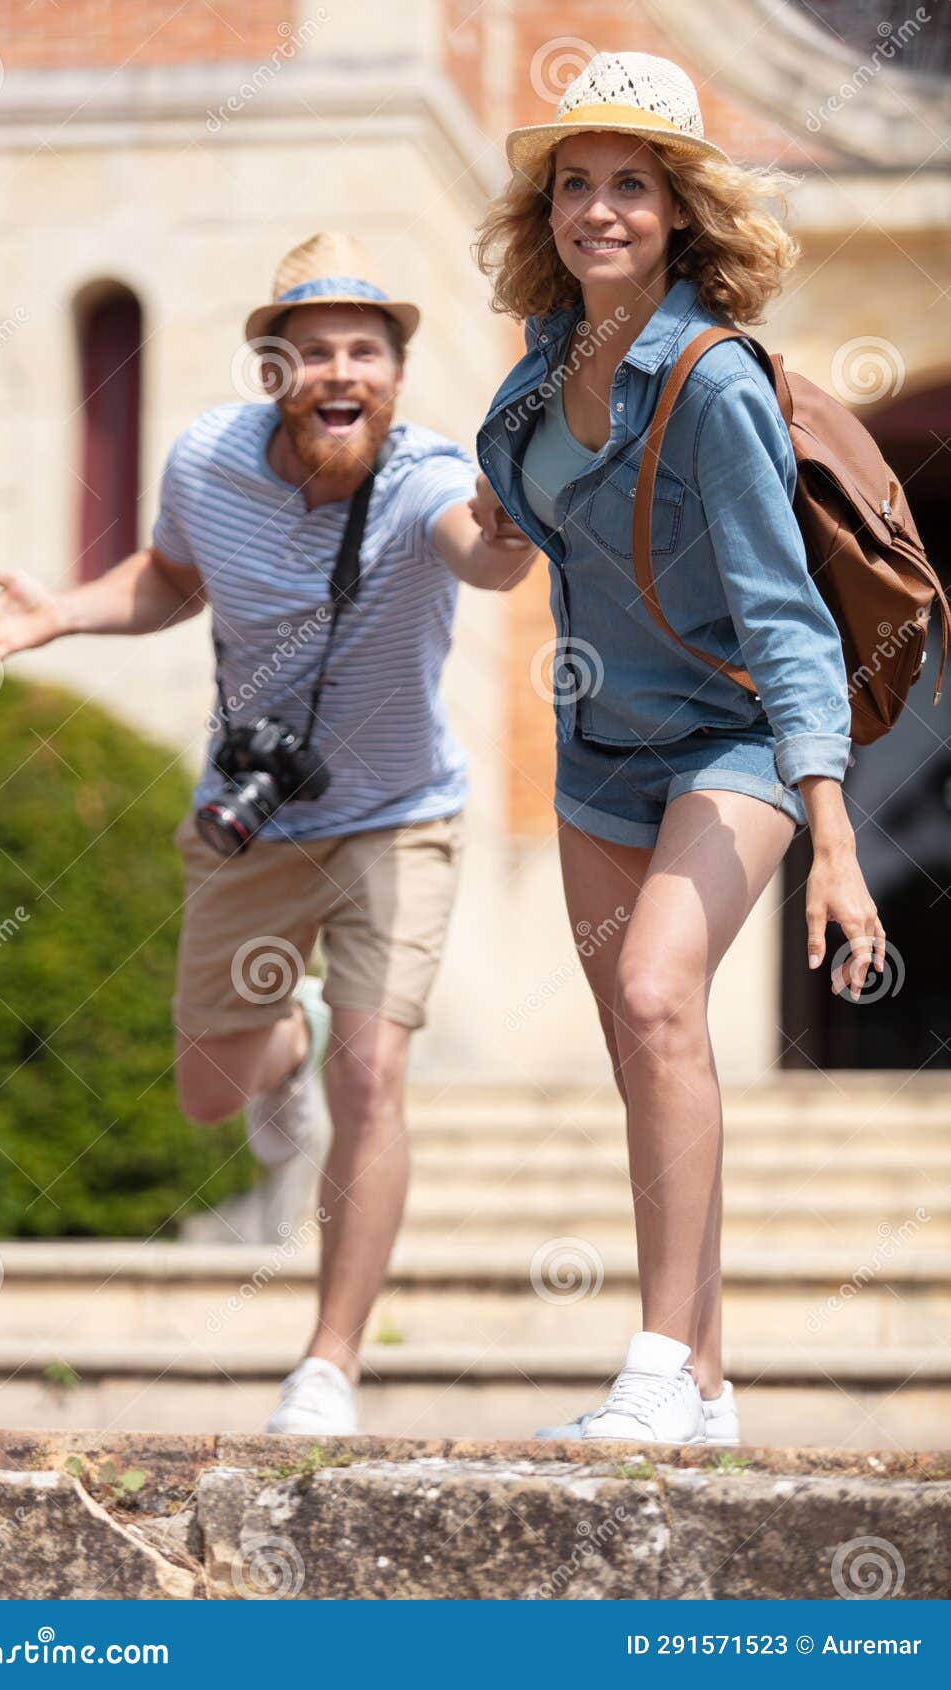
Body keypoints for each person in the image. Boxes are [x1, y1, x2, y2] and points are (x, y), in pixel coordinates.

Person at [0, 230, 537, 1436]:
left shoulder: (427, 477)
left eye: (364, 348)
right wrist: (63, 611)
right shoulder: (207, 458)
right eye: (311, 350)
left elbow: (485, 561)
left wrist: (510, 522)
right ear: (273, 367)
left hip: (398, 818)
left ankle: (328, 1363)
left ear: (396, 373)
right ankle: (283, 1048)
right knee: (212, 1092)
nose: (338, 370)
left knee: (376, 1073)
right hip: (252, 815)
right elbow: (168, 578)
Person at [472, 53, 883, 1445]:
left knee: (654, 995)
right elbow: (508, 538)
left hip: (732, 740)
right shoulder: (534, 375)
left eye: (627, 186)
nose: (597, 209)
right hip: (594, 751)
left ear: (676, 211)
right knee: (647, 1042)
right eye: (575, 184)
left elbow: (783, 618)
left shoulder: (707, 383)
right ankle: (701, 1377)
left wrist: (836, 839)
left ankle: (651, 1358)